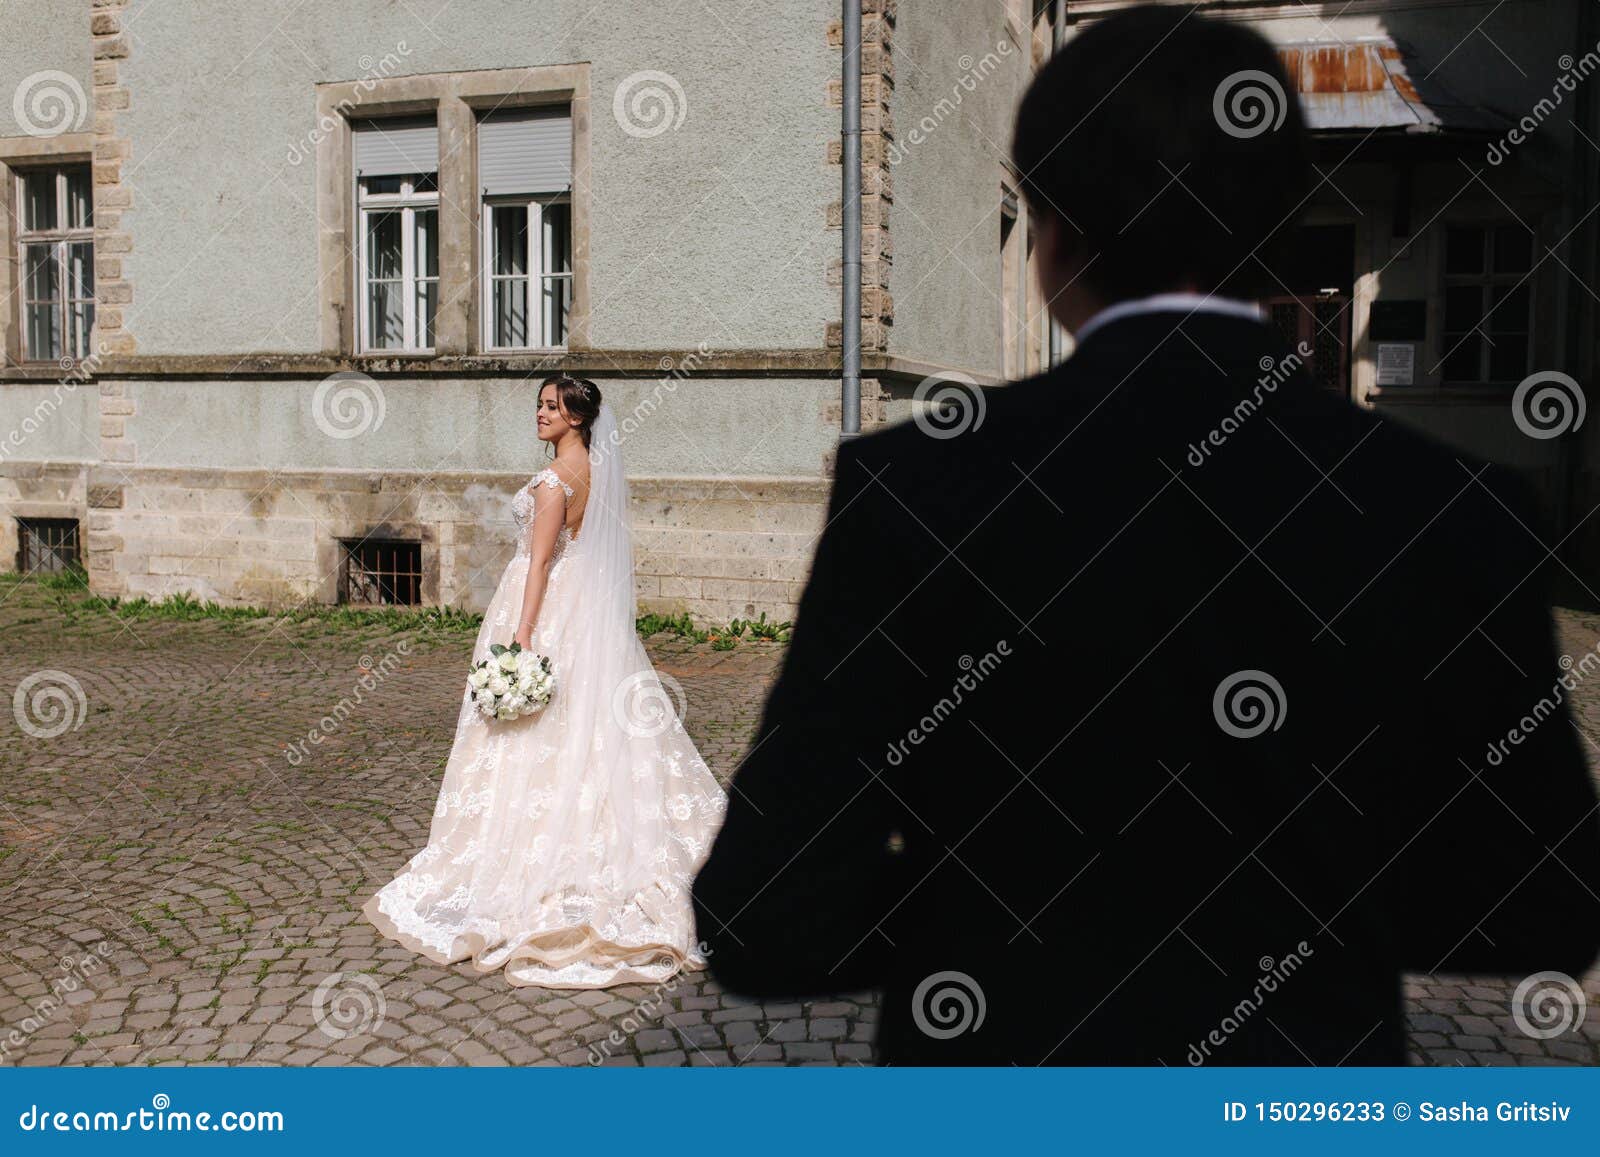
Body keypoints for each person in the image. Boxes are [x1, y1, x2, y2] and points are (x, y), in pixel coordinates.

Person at [693, 6, 1600, 1063]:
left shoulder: (914, 486)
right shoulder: (1451, 502)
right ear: (1276, 228)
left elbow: (764, 914)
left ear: (1052, 233)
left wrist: (998, 916)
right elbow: (1547, 902)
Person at [366, 376, 727, 988]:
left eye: (552, 408)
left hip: (540, 606)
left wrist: (523, 636)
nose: (541, 414)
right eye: (539, 405)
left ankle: (533, 850)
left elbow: (538, 561)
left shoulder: (558, 479)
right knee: (585, 724)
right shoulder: (593, 468)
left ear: (577, 419)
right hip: (579, 609)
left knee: (533, 729)